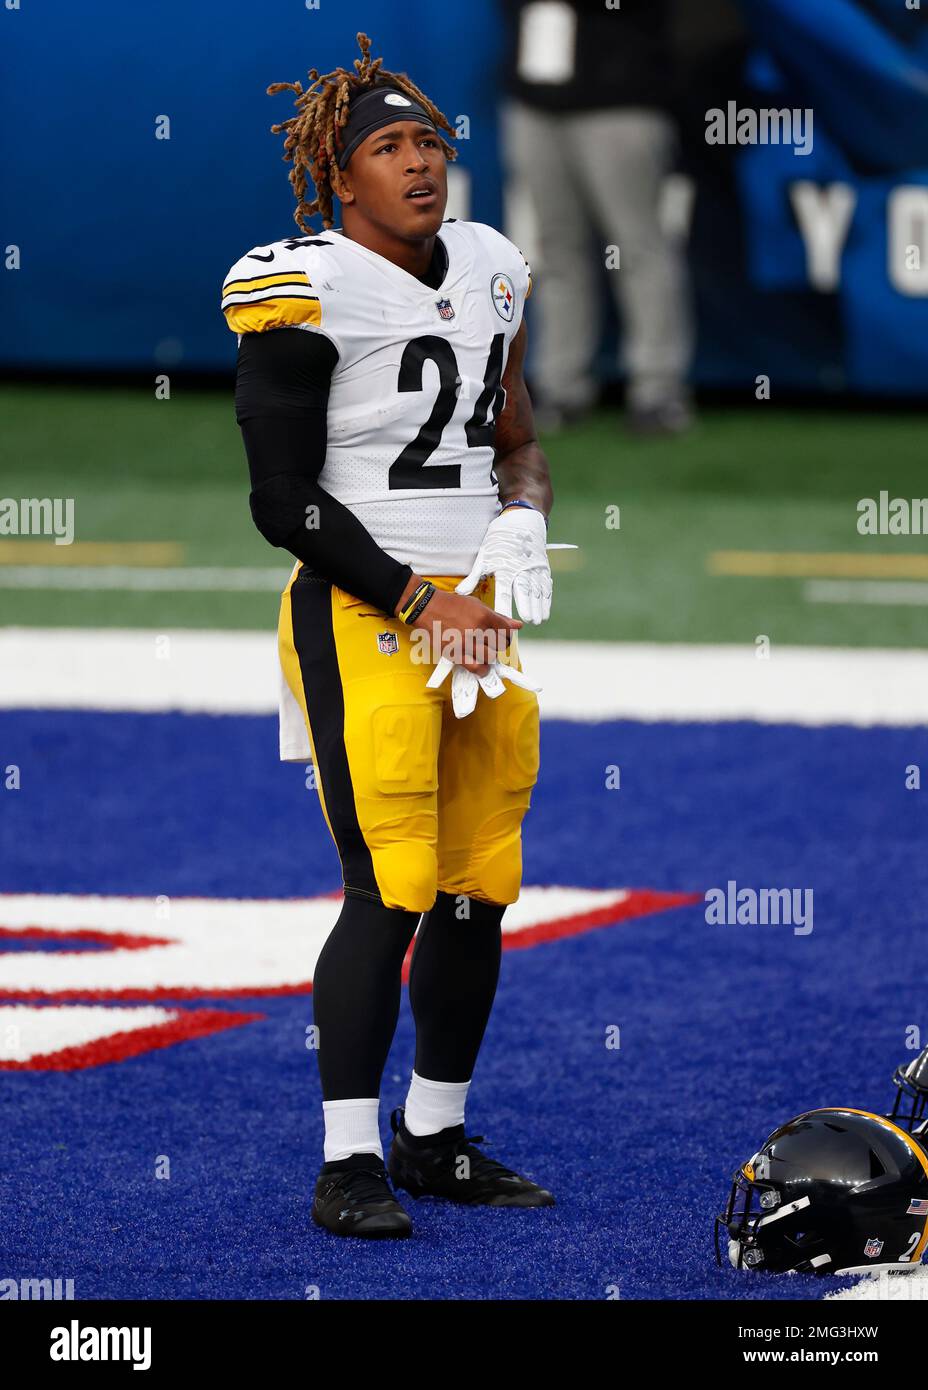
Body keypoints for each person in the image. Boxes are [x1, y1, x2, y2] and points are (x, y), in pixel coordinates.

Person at [221, 33, 558, 1238]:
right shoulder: (299, 285)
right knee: (393, 882)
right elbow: (281, 500)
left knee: (480, 881)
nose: (420, 163)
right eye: (389, 147)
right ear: (339, 176)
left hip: (474, 614)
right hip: (364, 608)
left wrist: (520, 517)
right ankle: (346, 1161)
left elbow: (515, 438)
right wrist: (421, 598)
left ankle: (434, 1134)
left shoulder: (492, 264)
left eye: (431, 142)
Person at [502, 0, 694, 434]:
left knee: (638, 248)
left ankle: (658, 391)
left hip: (620, 102)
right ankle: (561, 386)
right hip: (536, 102)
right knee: (556, 248)